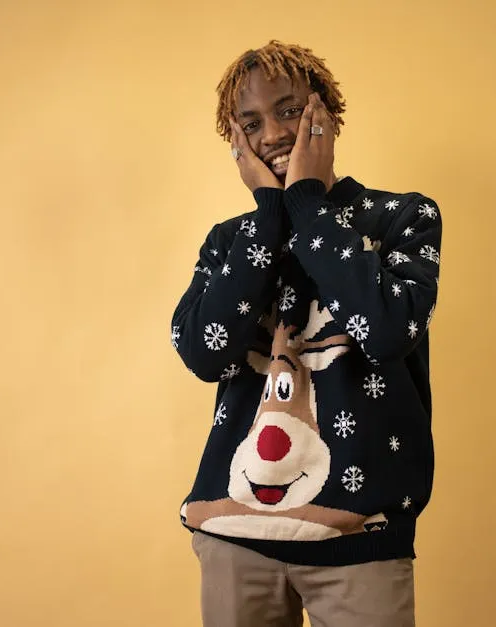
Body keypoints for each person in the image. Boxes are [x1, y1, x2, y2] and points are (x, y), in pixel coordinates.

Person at [170, 40, 441, 627]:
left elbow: (389, 331)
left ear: (327, 112)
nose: (272, 133)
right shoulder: (229, 240)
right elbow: (202, 350)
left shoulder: (402, 218)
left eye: (288, 110)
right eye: (251, 122)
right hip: (235, 535)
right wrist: (270, 218)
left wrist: (308, 206)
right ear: (235, 139)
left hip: (359, 535)